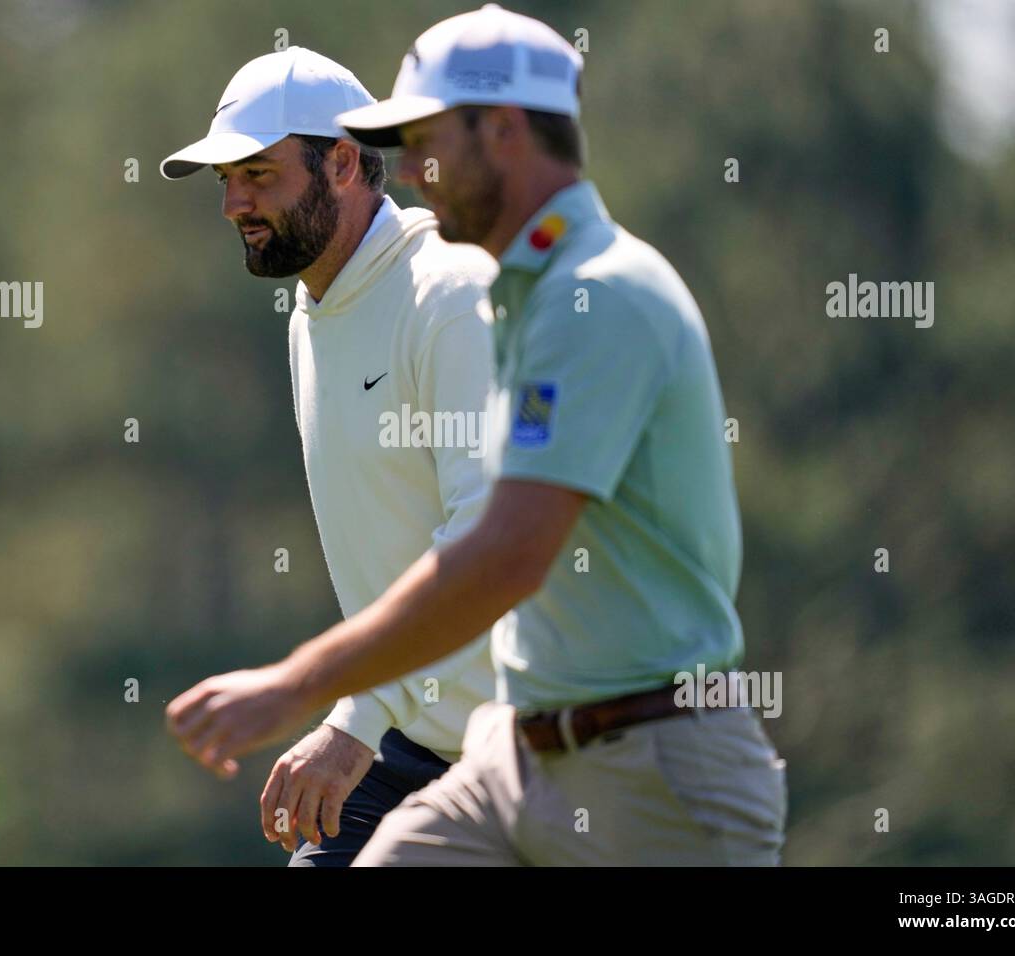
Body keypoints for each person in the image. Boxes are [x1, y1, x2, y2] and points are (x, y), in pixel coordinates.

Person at [166, 7, 787, 866]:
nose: (413, 175)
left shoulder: (590, 296)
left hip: (659, 767)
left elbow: (502, 553)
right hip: (522, 755)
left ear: (502, 132)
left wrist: (303, 688)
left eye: (426, 143)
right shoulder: (524, 293)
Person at [159, 45, 499, 866]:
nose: (234, 201)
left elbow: (487, 540)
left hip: (530, 755)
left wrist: (350, 722)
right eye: (224, 181)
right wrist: (371, 715)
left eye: (259, 175)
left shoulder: (451, 293)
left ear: (343, 161)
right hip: (411, 741)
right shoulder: (309, 316)